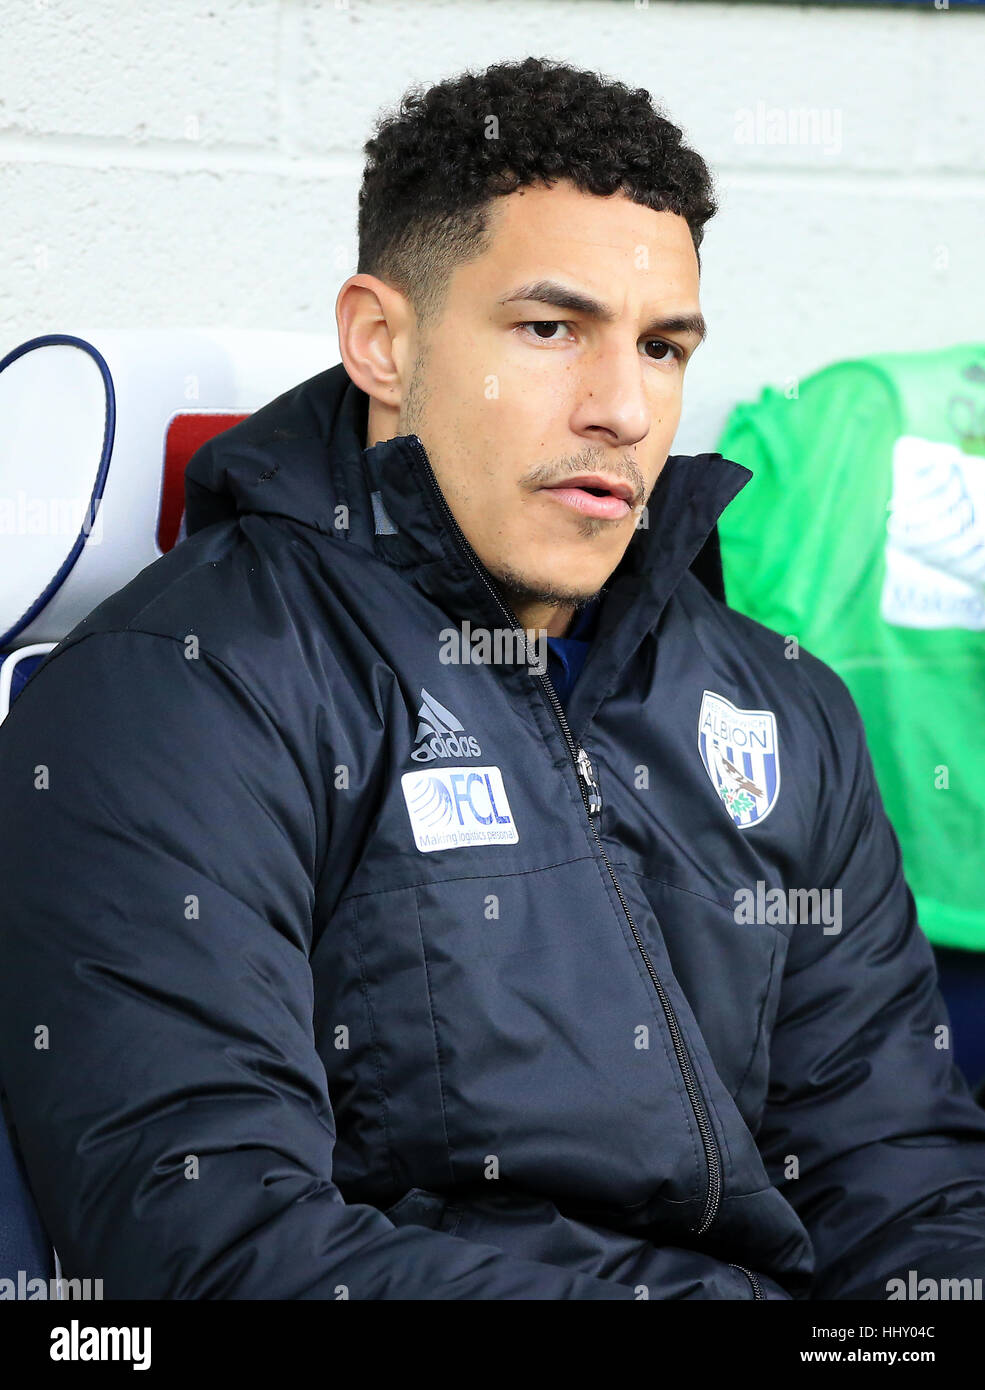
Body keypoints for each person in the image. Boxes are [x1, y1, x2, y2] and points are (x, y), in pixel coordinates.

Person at [2, 55, 985, 1301]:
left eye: (665, 347)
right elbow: (208, 1242)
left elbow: (900, 1179)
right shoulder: (185, 691)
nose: (623, 407)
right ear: (380, 341)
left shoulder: (777, 705)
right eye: (549, 329)